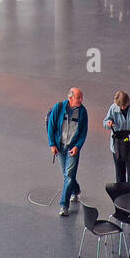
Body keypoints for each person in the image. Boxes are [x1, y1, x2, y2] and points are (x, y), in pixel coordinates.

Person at [47, 87, 88, 216]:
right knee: (67, 175)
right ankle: (76, 190)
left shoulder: (83, 112)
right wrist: (52, 144)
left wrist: (77, 146)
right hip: (60, 148)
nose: (81, 100)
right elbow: (51, 126)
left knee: (69, 175)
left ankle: (64, 206)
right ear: (70, 98)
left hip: (72, 149)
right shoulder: (58, 108)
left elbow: (83, 132)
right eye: (78, 98)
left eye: (81, 97)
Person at [102, 90, 130, 185]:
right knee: (119, 174)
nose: (122, 108)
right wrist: (108, 123)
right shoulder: (113, 108)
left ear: (128, 102)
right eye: (120, 106)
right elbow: (105, 122)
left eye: (124, 106)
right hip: (118, 147)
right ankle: (121, 196)